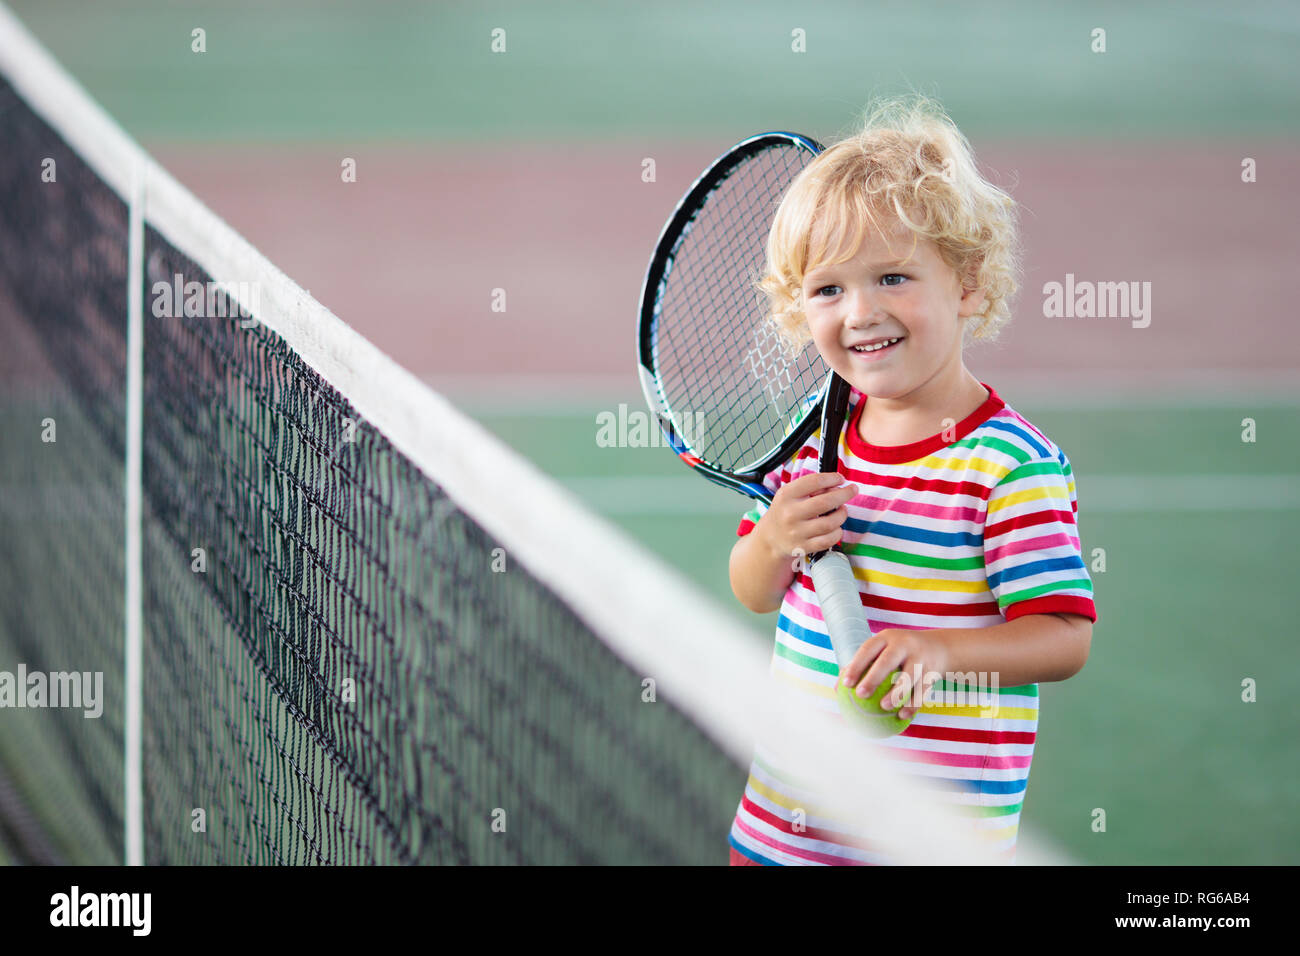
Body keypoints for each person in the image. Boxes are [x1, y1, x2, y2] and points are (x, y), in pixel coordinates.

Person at [727, 95, 1097, 865]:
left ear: (967, 284)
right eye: (828, 289)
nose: (860, 312)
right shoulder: (813, 435)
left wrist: (939, 652)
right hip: (784, 834)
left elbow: (1064, 638)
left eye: (892, 277)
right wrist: (772, 539)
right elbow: (756, 589)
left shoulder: (1008, 465)